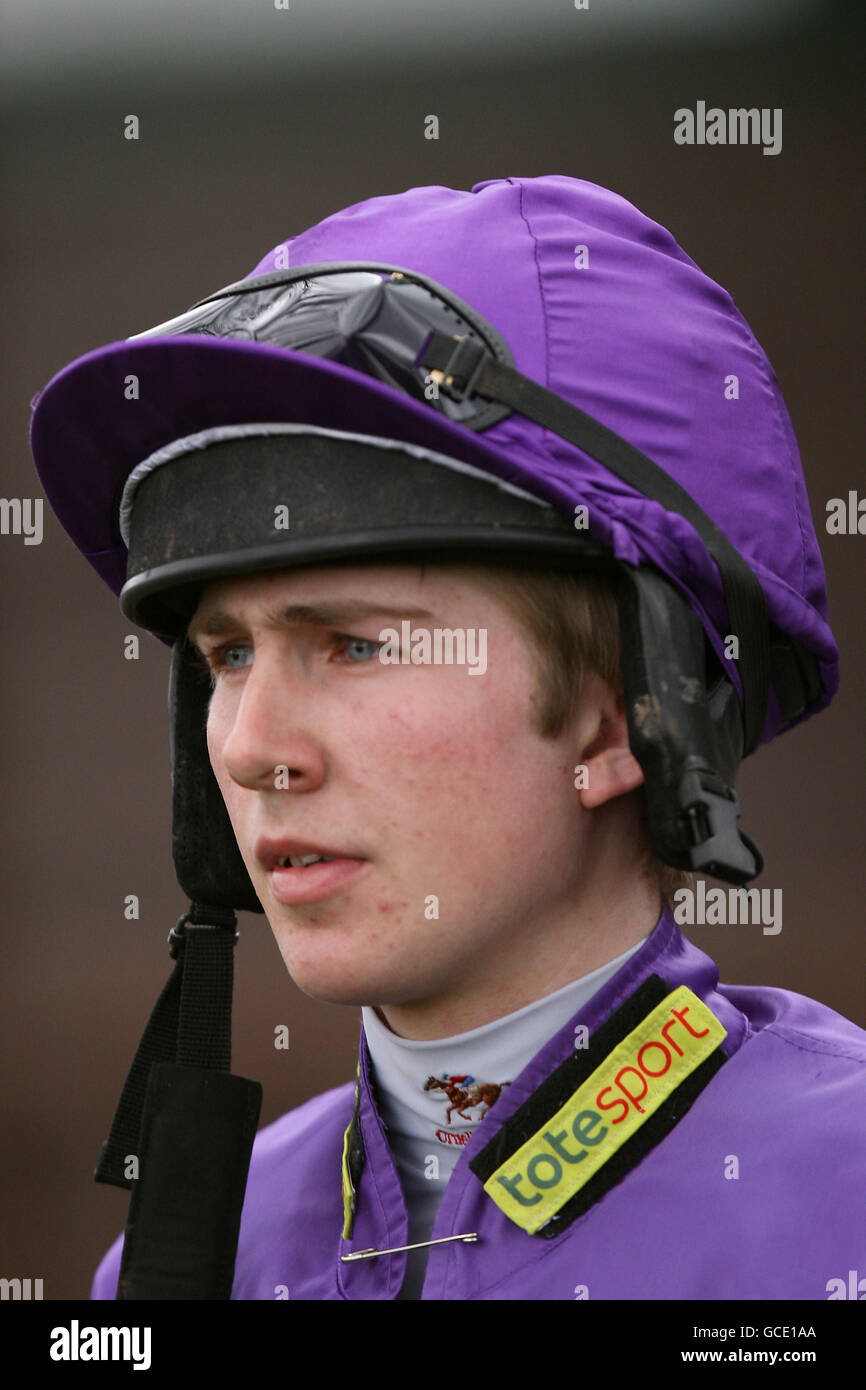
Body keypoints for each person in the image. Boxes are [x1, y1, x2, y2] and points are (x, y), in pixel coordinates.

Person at [30, 174, 865, 1301]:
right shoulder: (183, 1265)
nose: (250, 746)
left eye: (353, 645)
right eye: (227, 655)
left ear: (624, 709)